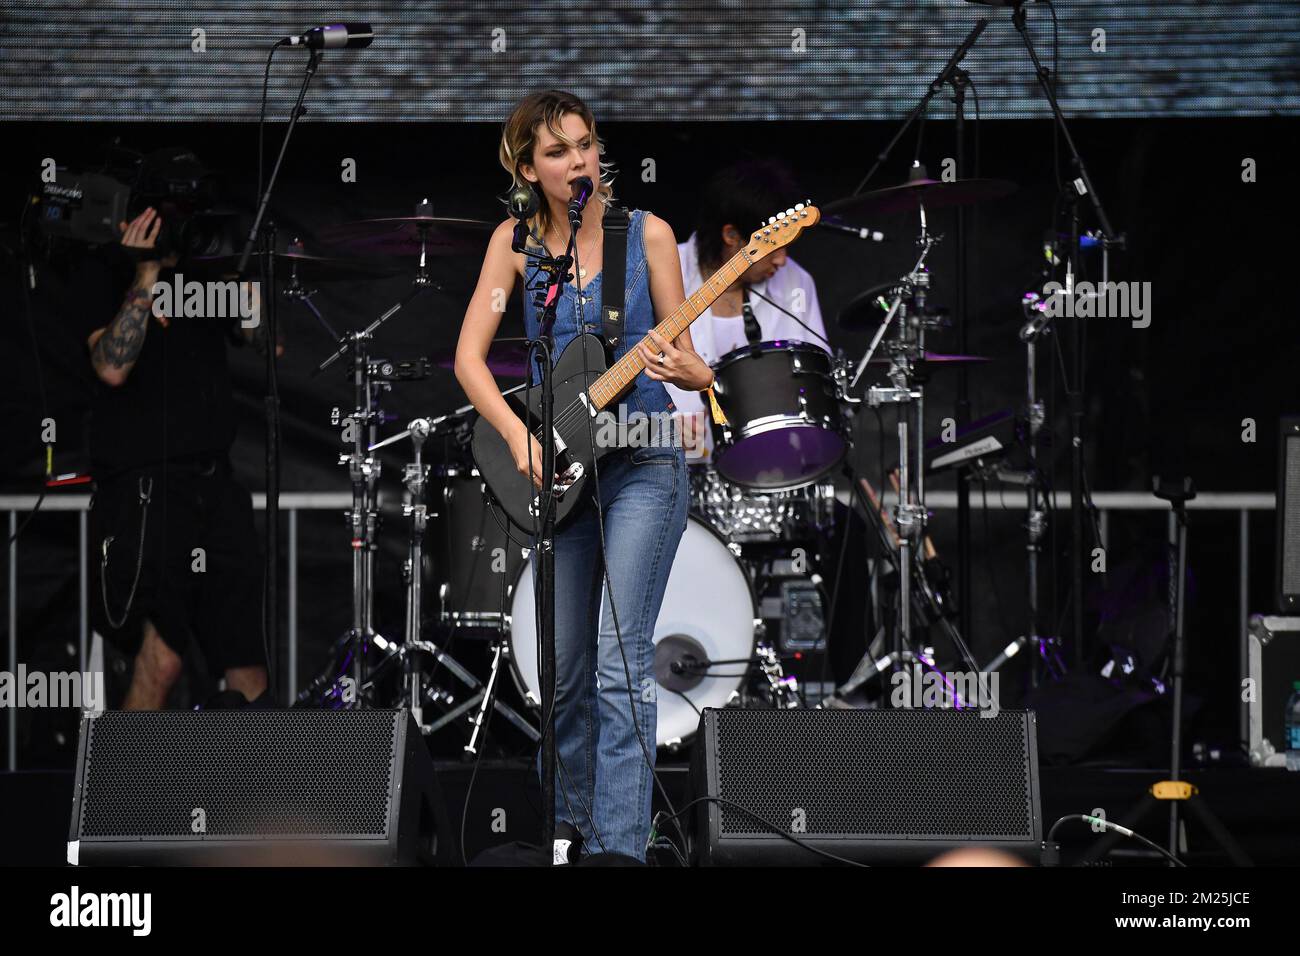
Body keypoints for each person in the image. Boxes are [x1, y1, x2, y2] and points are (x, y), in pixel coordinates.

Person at [454, 90, 713, 860]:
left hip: (643, 460)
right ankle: (567, 834)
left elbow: (691, 359)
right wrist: (517, 436)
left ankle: (618, 849)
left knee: (620, 664)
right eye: (559, 151)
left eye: (587, 145)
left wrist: (695, 370)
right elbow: (469, 358)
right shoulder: (516, 245)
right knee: (564, 676)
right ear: (527, 168)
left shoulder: (651, 235)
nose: (579, 162)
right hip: (563, 471)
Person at [78, 148, 269, 710]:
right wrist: (147, 270)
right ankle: (124, 796)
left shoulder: (204, 276)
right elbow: (111, 365)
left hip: (217, 486)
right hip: (148, 491)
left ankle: (244, 798)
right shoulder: (102, 268)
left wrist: (239, 280)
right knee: (161, 659)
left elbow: (267, 341)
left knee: (247, 669)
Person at [663, 159, 831, 462]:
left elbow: (817, 381)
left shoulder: (797, 282)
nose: (782, 261)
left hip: (770, 466)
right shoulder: (662, 270)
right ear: (731, 236)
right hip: (673, 464)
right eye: (775, 246)